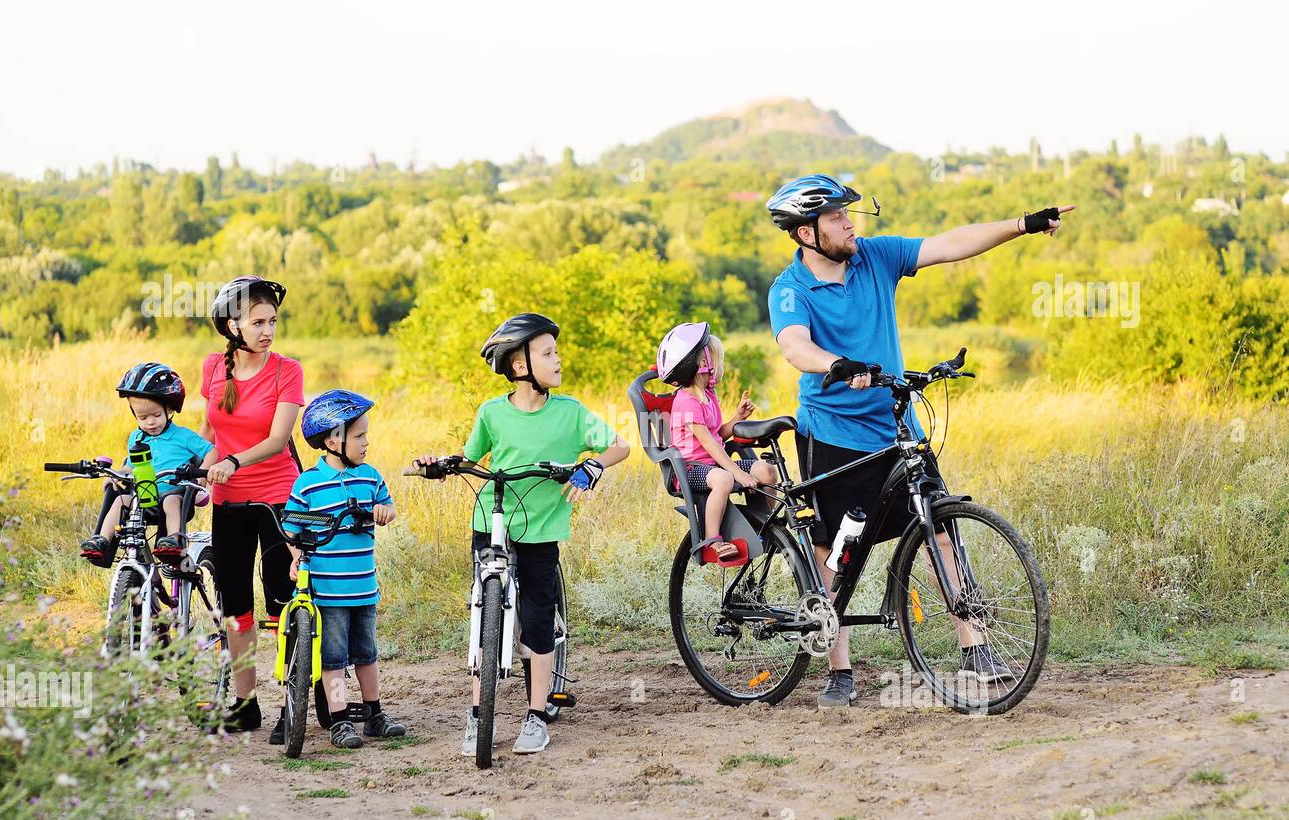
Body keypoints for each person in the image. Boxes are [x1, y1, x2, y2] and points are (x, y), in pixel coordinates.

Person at [765, 174, 1075, 705]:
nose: (849, 223)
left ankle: (976, 647)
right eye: (837, 217)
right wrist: (835, 364)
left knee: (941, 530)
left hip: (896, 427)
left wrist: (1021, 225)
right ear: (805, 233)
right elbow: (795, 347)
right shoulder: (790, 289)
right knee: (834, 552)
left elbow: (949, 244)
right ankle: (838, 670)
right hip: (833, 434)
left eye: (849, 213)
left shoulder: (876, 257)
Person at [413, 312, 629, 757]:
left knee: (536, 617)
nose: (558, 358)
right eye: (547, 352)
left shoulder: (569, 413)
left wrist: (593, 464)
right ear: (518, 366)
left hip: (542, 530)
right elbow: (469, 455)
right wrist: (439, 464)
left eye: (555, 351)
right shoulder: (492, 413)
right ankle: (477, 715)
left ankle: (536, 713)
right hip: (491, 522)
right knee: (481, 610)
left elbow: (619, 445)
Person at [198, 275, 306, 736]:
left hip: (279, 498)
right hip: (228, 501)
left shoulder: (287, 370)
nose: (268, 330)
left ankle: (292, 703)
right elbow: (208, 435)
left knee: (284, 602)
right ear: (231, 325)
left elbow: (278, 439)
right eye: (257, 322)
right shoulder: (212, 368)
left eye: (273, 321)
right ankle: (246, 703)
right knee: (235, 606)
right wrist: (197, 474)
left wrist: (233, 460)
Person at [283, 389, 403, 749]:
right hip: (330, 590)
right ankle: (338, 720)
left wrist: (384, 512)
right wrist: (295, 557)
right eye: (360, 435)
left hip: (363, 587)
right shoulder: (309, 484)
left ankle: (374, 714)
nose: (367, 442)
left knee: (367, 653)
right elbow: (293, 527)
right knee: (333, 657)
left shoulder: (369, 477)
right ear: (334, 439)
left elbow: (388, 506)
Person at [658, 322, 776, 563]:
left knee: (767, 471)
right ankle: (713, 540)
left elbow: (717, 436)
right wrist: (737, 473)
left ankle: (767, 523)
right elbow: (709, 445)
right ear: (704, 365)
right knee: (724, 478)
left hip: (714, 465)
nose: (721, 365)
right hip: (689, 469)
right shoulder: (687, 401)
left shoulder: (708, 396)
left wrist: (737, 418)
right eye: (718, 359)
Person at [80, 363, 211, 562]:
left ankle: (173, 539)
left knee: (170, 500)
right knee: (120, 500)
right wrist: (117, 475)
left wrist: (203, 473)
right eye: (142, 417)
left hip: (173, 494)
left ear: (169, 409)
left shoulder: (183, 436)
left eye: (156, 415)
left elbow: (212, 451)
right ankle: (101, 540)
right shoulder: (136, 438)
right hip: (144, 495)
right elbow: (131, 465)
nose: (150, 422)